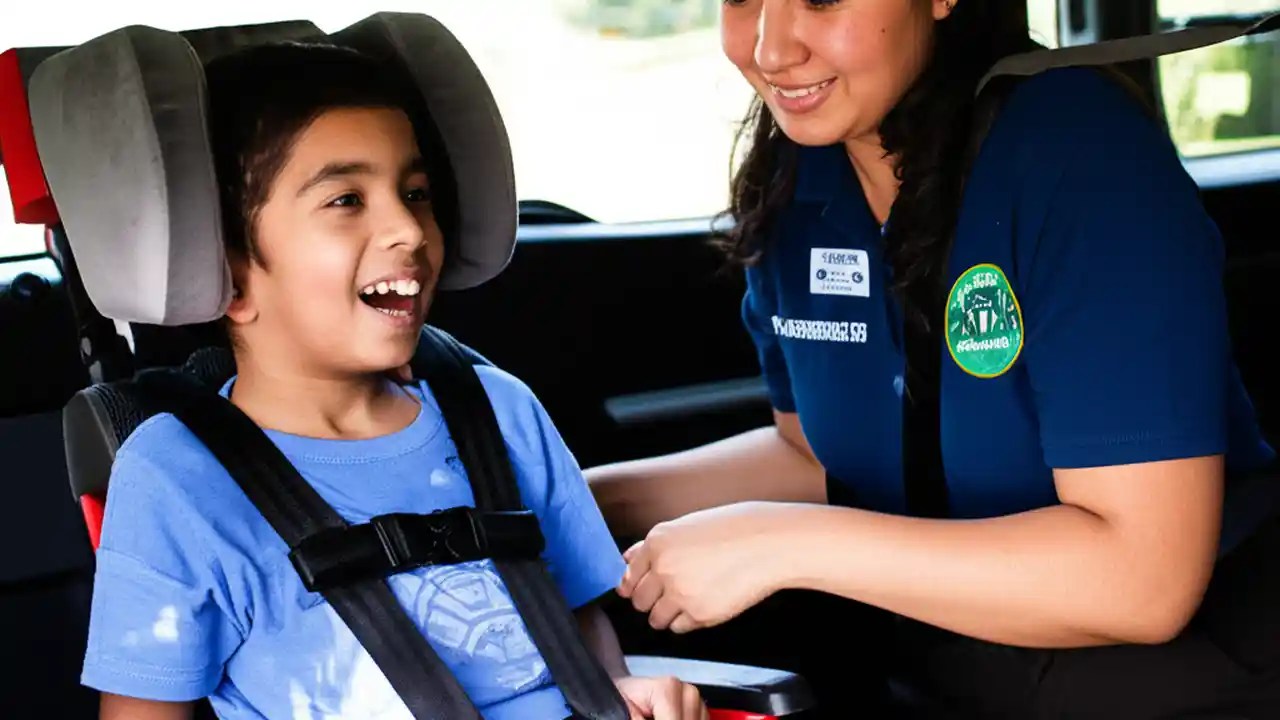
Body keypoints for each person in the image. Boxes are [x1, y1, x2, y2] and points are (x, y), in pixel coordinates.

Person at [586, 0, 1280, 716]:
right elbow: (816, 454)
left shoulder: (1082, 158)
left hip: (1191, 676)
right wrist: (581, 503)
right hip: (952, 666)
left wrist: (775, 546)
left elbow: (1143, 581)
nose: (769, 49)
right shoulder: (799, 180)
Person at [78, 42, 707, 720]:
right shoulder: (176, 478)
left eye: (416, 193)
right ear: (230, 272)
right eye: (347, 199)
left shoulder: (498, 411)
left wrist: (618, 688)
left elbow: (575, 622)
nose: (408, 229)